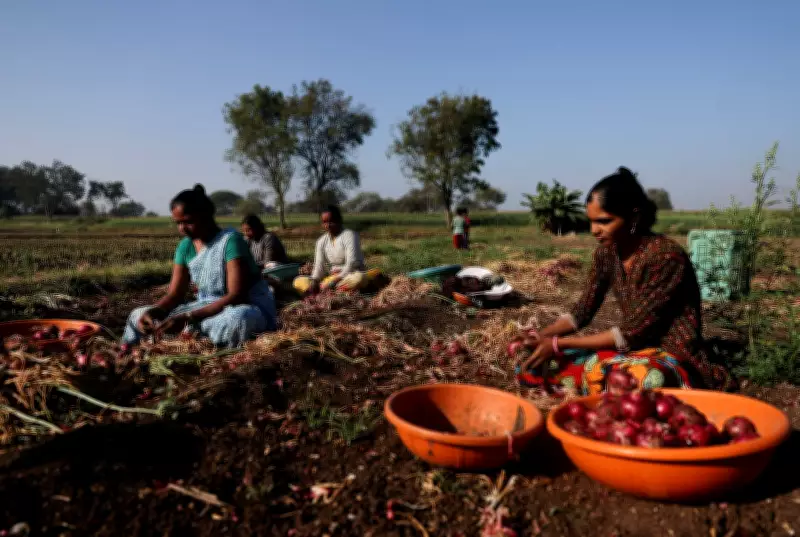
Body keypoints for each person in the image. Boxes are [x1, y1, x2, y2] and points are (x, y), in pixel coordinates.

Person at [516, 167, 732, 395]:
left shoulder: (666, 257)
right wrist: (544, 335)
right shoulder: (606, 254)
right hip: (630, 351)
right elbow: (582, 311)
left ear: (634, 216)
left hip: (672, 354)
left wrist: (558, 344)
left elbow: (631, 333)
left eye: (604, 221)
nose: (594, 230)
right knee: (537, 365)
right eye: (591, 221)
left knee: (643, 379)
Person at [122, 185, 278, 348]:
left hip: (243, 306)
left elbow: (236, 295)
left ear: (206, 215)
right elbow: (175, 294)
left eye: (188, 222)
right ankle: (128, 351)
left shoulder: (231, 241)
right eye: (178, 223)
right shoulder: (185, 246)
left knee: (239, 319)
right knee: (137, 315)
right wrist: (155, 311)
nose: (182, 228)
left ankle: (198, 338)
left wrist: (189, 317)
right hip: (206, 307)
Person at [293, 206, 384, 295]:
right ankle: (325, 291)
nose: (328, 225)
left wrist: (333, 282)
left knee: (359, 278)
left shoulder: (350, 235)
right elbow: (319, 267)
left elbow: (351, 265)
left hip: (351, 275)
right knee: (298, 281)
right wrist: (314, 281)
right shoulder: (321, 241)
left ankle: (330, 291)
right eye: (324, 222)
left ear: (339, 220)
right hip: (332, 278)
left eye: (331, 221)